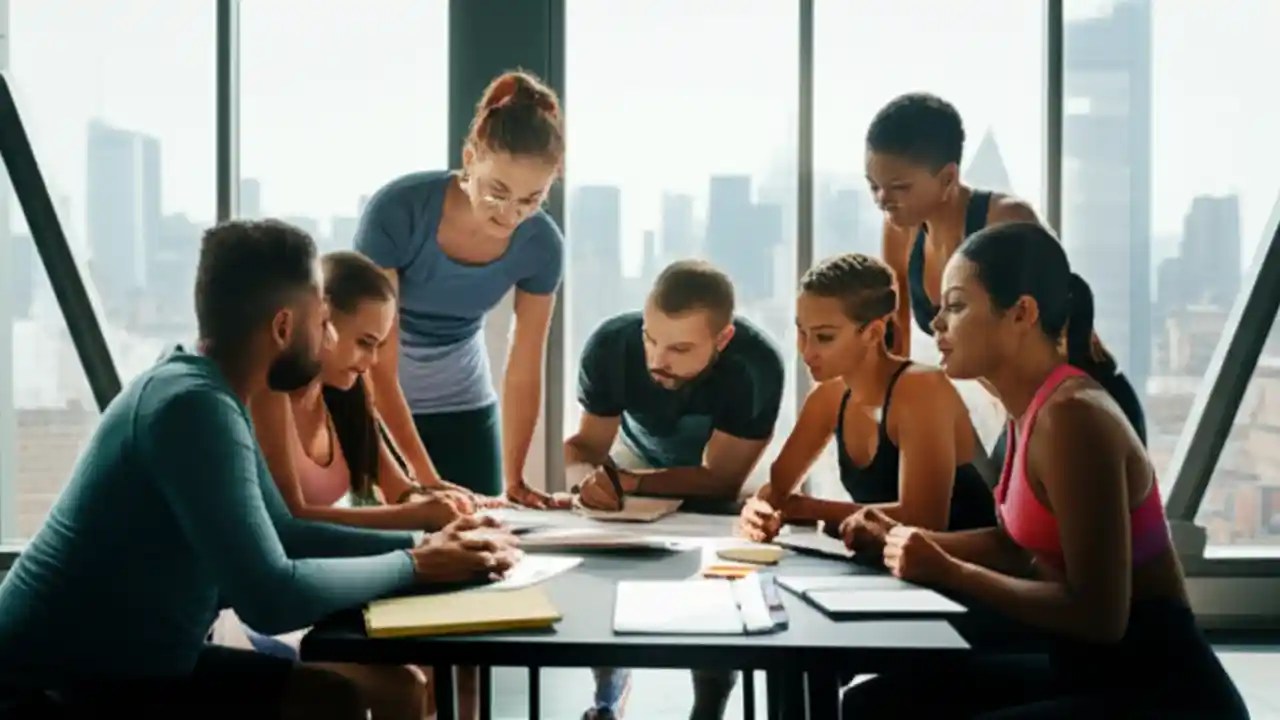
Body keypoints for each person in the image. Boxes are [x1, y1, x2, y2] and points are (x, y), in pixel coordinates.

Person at [0, 219, 520, 719]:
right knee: (323, 700)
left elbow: (285, 532)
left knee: (326, 700)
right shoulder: (193, 408)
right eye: (322, 324)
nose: (330, 340)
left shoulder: (210, 391)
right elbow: (270, 598)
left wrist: (420, 545)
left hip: (133, 665)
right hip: (56, 686)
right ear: (283, 327)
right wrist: (418, 566)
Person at [839, 222, 1248, 719]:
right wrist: (899, 537)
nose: (935, 325)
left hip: (1159, 689)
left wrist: (950, 570)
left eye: (957, 305)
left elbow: (1101, 616)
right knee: (870, 706)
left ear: (1022, 314)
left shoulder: (1073, 418)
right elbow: (1018, 545)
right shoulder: (1028, 409)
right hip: (1088, 671)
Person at [249, 250, 483, 719]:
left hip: (336, 594)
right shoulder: (269, 396)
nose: (371, 360)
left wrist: (444, 503)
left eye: (379, 345)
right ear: (323, 322)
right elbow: (291, 519)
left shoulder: (348, 393)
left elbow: (403, 493)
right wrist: (418, 517)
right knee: (404, 685)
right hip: (277, 609)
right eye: (364, 342)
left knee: (459, 656)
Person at [867, 91, 1147, 460]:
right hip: (1019, 414)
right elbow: (894, 336)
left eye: (900, 187)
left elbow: (1056, 323)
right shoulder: (900, 232)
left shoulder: (1005, 220)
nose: (883, 200)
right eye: (874, 185)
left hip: (1080, 406)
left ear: (948, 176)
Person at [567, 260, 785, 720]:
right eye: (650, 338)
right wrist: (587, 481)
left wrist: (632, 483)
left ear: (722, 340)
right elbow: (586, 446)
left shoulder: (755, 366)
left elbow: (720, 480)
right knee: (605, 560)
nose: (656, 360)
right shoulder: (610, 345)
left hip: (715, 474)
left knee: (718, 574)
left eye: (680, 348)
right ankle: (608, 696)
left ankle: (709, 699)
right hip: (634, 460)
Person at [357, 69, 570, 509]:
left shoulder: (542, 245)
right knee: (397, 549)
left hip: (465, 406)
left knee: (483, 543)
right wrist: (425, 478)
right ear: (470, 157)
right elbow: (375, 357)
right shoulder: (398, 210)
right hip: (379, 404)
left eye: (531, 200)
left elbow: (525, 364)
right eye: (497, 192)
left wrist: (514, 479)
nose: (510, 214)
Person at [737, 253, 994, 549]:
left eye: (824, 337)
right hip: (895, 571)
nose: (807, 352)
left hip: (967, 572)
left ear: (873, 332)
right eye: (801, 332)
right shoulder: (829, 397)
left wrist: (808, 510)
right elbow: (778, 490)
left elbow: (924, 518)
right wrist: (757, 511)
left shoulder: (921, 389)